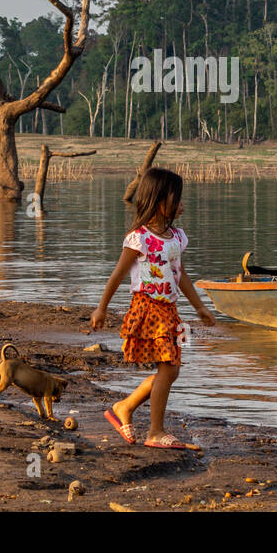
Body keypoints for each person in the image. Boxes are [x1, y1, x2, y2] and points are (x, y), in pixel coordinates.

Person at [91, 166, 215, 449]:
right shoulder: (139, 238)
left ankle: (125, 407)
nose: (183, 204)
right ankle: (155, 432)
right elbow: (117, 275)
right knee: (168, 367)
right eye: (178, 198)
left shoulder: (177, 238)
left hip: (170, 311)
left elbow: (180, 275)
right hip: (148, 308)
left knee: (172, 371)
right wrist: (101, 309)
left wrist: (200, 308)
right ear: (161, 202)